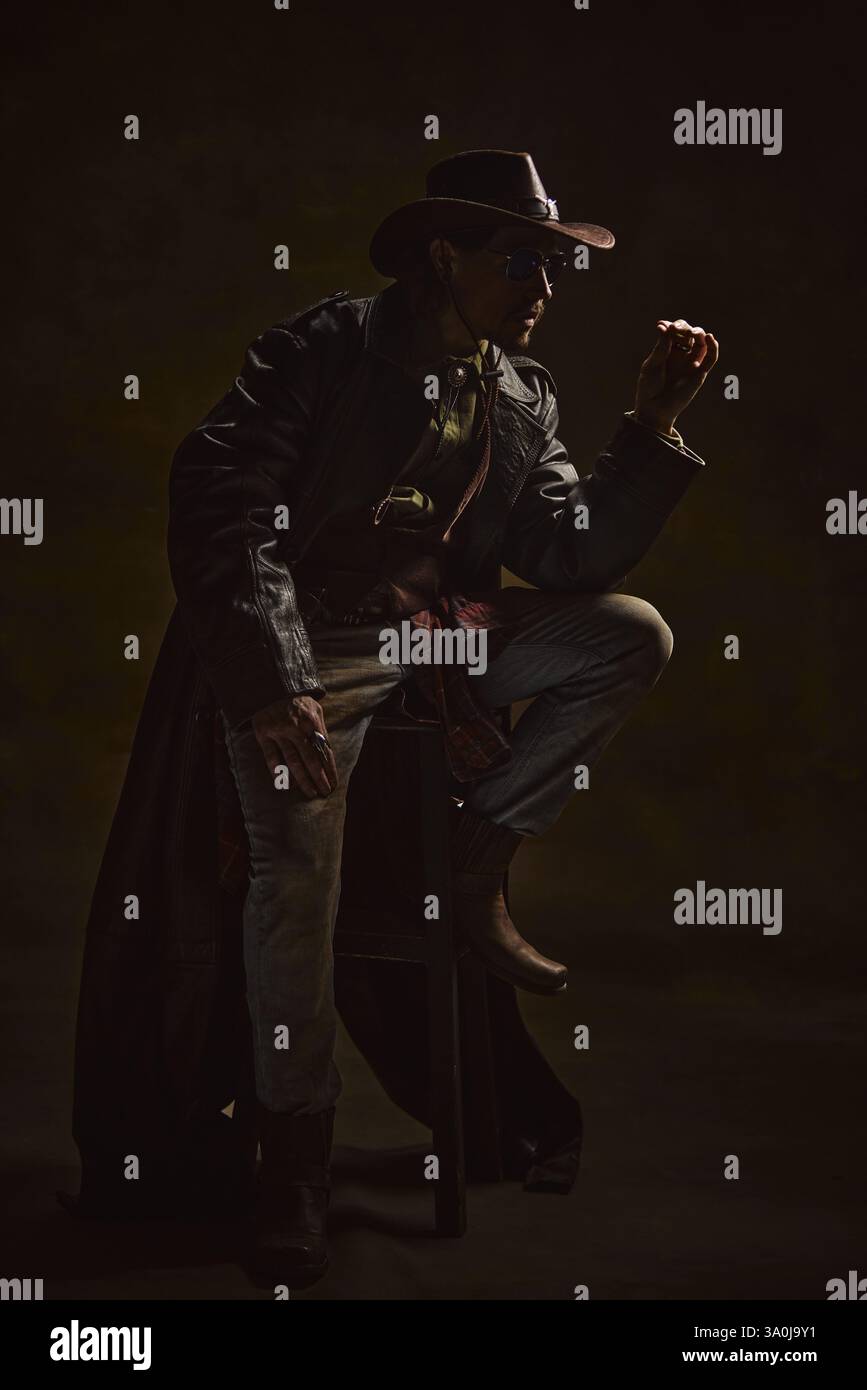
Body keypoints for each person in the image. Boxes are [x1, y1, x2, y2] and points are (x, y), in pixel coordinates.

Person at [162, 148, 719, 1287]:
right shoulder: (328, 346)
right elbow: (223, 492)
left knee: (633, 632)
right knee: (294, 892)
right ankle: (295, 1162)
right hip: (308, 645)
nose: (545, 290)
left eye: (558, 269)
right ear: (441, 256)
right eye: (526, 262)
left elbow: (568, 553)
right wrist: (273, 687)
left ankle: (482, 856)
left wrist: (648, 427)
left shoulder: (522, 393)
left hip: (434, 645)